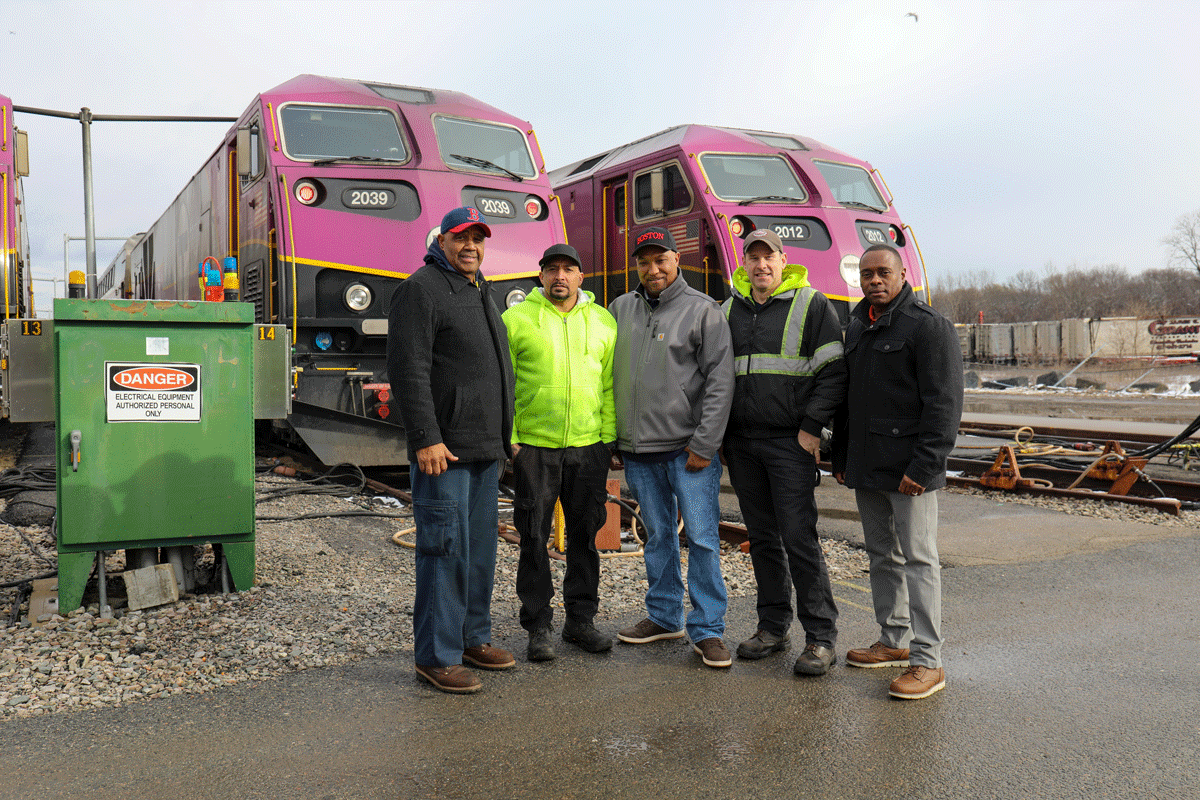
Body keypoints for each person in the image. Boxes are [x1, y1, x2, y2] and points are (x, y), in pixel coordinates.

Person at [387, 206, 517, 694]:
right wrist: (425, 437)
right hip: (445, 450)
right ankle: (435, 656)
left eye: (478, 239)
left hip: (485, 448)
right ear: (441, 240)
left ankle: (472, 638)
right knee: (444, 551)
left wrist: (507, 433)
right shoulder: (420, 290)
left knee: (480, 551)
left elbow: (494, 367)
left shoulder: (482, 288)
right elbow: (408, 369)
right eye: (462, 238)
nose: (471, 247)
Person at [832, 244, 963, 700]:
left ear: (902, 273)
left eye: (882, 272)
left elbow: (944, 406)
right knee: (882, 556)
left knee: (920, 560)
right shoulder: (856, 327)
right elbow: (850, 401)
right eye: (866, 274)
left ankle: (929, 661)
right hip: (867, 468)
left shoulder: (928, 327)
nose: (874, 280)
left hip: (910, 470)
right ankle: (894, 640)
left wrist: (926, 466)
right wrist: (843, 457)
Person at [721, 229, 847, 676]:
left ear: (782, 259)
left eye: (768, 257)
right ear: (745, 263)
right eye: (753, 258)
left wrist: (812, 429)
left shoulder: (811, 305)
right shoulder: (729, 308)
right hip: (742, 443)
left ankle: (821, 638)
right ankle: (773, 627)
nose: (761, 266)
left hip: (788, 443)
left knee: (799, 539)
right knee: (763, 540)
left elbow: (834, 371)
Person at [610, 226, 735, 669]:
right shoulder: (620, 308)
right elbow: (609, 374)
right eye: (644, 261)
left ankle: (708, 630)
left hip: (688, 451)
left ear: (676, 260)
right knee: (658, 536)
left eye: (660, 259)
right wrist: (614, 437)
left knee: (701, 538)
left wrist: (705, 443)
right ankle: (664, 616)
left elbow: (721, 382)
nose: (652, 268)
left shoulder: (704, 311)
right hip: (638, 451)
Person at [502, 243, 618, 662]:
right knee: (533, 536)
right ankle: (538, 626)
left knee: (585, 537)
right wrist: (511, 439)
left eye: (568, 269)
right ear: (541, 276)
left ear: (581, 277)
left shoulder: (603, 320)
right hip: (534, 447)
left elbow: (607, 384)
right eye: (552, 269)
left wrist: (608, 439)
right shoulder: (516, 320)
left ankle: (580, 621)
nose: (560, 277)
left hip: (589, 448)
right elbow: (505, 384)